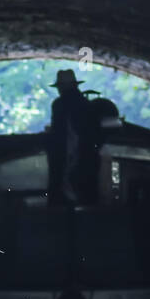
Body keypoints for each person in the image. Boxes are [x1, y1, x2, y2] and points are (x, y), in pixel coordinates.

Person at [46, 69, 100, 205]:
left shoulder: (59, 105)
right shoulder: (87, 105)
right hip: (87, 158)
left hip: (65, 157)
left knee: (62, 195)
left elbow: (58, 134)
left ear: (61, 88)